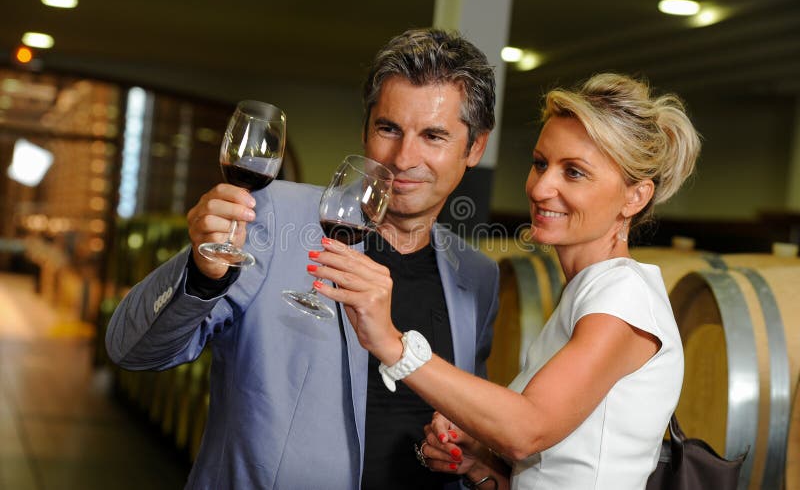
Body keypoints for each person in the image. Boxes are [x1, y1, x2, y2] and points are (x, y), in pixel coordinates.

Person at [105, 28, 500, 490]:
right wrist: (200, 273)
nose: (403, 157)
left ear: (474, 148)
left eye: (433, 136)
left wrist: (468, 446)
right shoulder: (271, 214)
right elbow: (132, 350)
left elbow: (470, 414)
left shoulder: (477, 275)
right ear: (365, 129)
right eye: (388, 128)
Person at [312, 72, 702, 489]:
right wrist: (481, 461)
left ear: (635, 197)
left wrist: (391, 344)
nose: (540, 187)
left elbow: (527, 429)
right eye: (540, 164)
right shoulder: (589, 292)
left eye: (574, 173)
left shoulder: (623, 295)